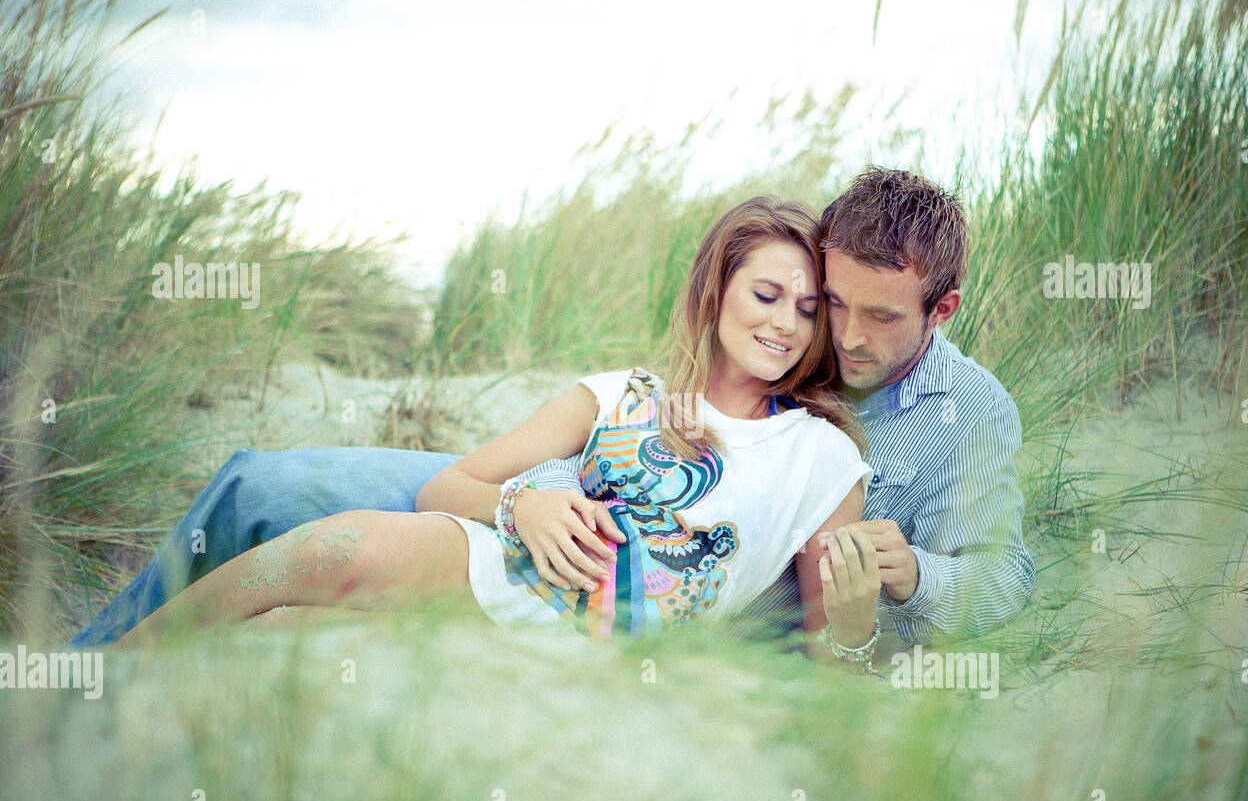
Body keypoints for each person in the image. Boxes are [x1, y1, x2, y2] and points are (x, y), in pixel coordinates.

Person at [71, 165, 1034, 656]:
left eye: (864, 318)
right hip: (549, 509)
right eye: (827, 301)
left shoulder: (937, 425)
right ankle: (92, 665)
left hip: (672, 607)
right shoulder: (641, 392)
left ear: (940, 311)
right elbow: (494, 475)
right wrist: (521, 498)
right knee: (272, 489)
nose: (838, 334)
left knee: (312, 562)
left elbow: (997, 581)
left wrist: (911, 580)